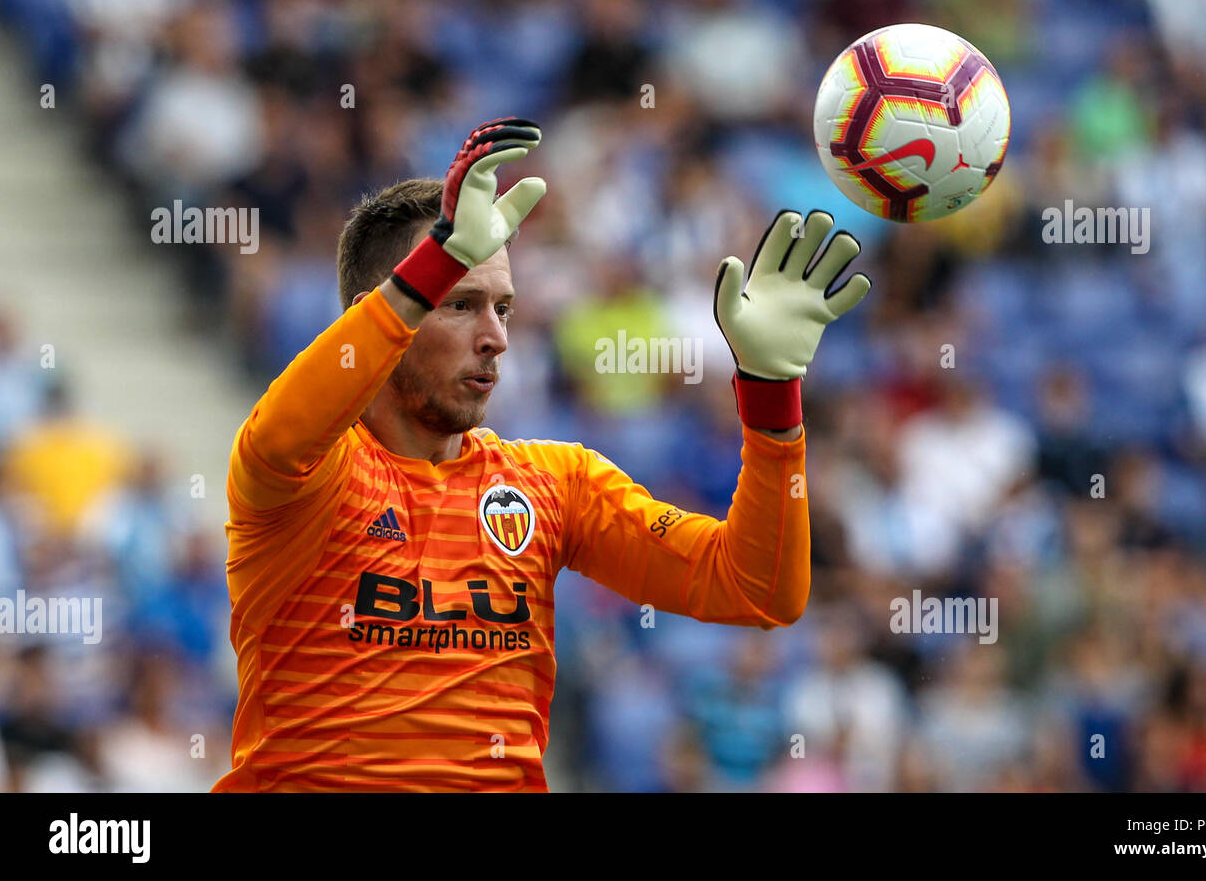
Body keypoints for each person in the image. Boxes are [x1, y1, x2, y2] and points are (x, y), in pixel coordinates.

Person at [212, 118, 870, 791]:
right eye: (460, 303)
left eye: (505, 307)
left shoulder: (555, 483)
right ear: (376, 315)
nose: (496, 336)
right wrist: (431, 265)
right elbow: (285, 433)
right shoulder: (304, 477)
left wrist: (770, 397)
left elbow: (759, 589)